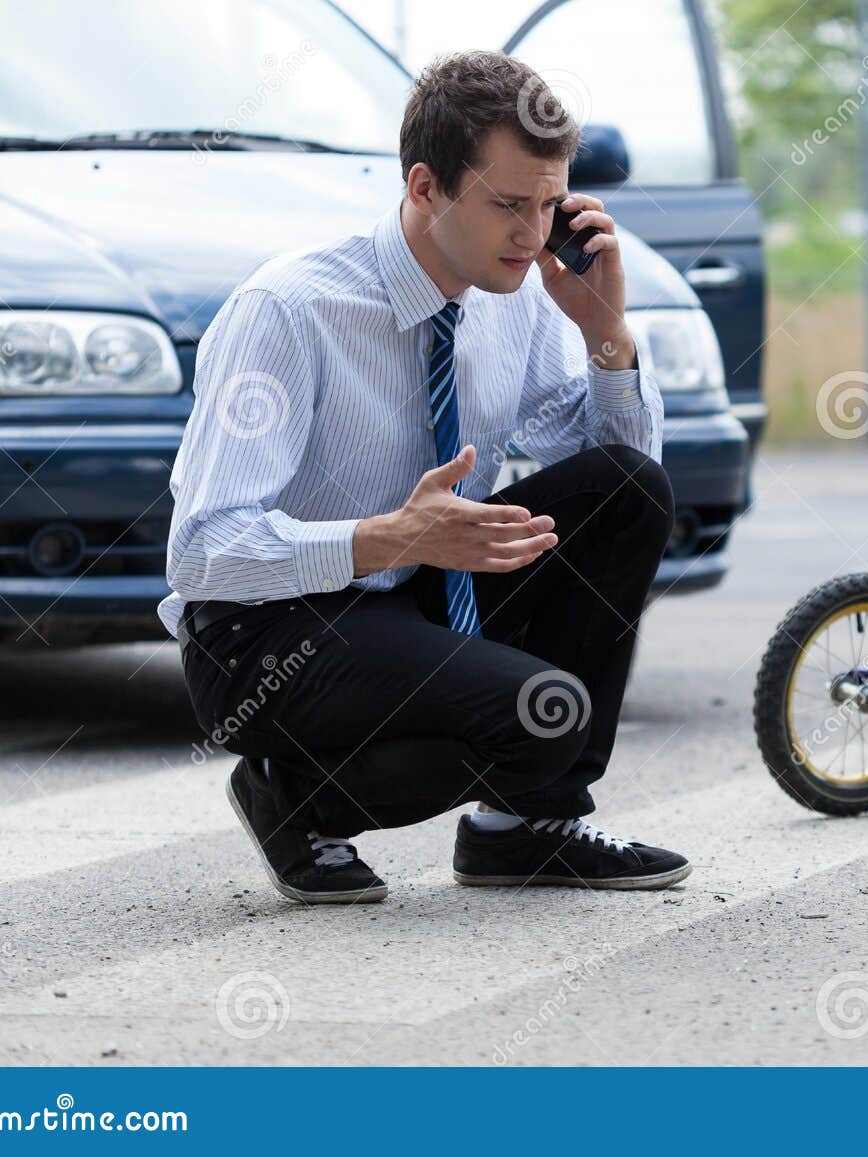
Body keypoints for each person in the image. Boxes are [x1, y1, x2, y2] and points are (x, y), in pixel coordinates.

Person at [160, 50, 689, 904]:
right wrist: (389, 538)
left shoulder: (516, 297)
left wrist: (607, 335)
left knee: (627, 490)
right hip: (264, 635)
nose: (532, 233)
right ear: (425, 187)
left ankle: (527, 827)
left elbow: (627, 466)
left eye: (550, 205)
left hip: (413, 589)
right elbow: (202, 553)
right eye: (509, 205)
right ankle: (291, 797)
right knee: (540, 710)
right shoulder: (289, 310)